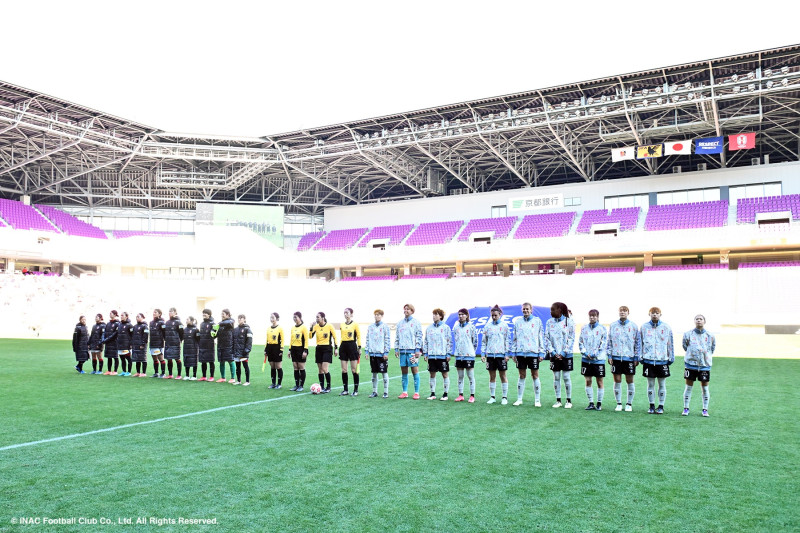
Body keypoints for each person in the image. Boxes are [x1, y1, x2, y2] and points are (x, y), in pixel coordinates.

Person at [639, 307, 674, 415]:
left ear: (660, 314)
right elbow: (640, 342)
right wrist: (640, 356)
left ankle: (661, 406)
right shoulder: (644, 327)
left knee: (662, 384)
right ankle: (651, 405)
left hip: (662, 360)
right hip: (648, 360)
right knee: (650, 384)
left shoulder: (666, 327)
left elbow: (670, 343)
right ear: (649, 314)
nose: (655, 315)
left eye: (657, 313)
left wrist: (671, 356)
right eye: (653, 313)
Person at [607, 306, 640, 412]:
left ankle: (629, 403)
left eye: (624, 311)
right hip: (616, 357)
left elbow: (637, 343)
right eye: (621, 311)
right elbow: (609, 341)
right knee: (617, 380)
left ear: (628, 313)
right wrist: (609, 355)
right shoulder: (613, 325)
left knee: (629, 380)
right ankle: (619, 403)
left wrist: (636, 357)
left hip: (629, 358)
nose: (622, 312)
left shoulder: (634, 326)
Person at [512, 302, 545, 407]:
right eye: (523, 309)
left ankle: (537, 400)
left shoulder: (537, 321)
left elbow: (541, 336)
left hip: (533, 352)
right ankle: (519, 399)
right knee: (521, 375)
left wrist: (541, 352)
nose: (525, 310)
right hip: (521, 353)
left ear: (531, 310)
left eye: (527, 309)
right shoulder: (518, 322)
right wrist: (514, 352)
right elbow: (515, 338)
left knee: (535, 375)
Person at [682, 314, 715, 417]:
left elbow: (712, 348)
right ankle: (686, 408)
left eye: (701, 319)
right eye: (697, 319)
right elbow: (685, 346)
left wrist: (706, 357)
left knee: (705, 388)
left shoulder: (710, 335)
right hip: (691, 365)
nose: (699, 321)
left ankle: (705, 409)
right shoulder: (688, 334)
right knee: (688, 387)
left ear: (704, 321)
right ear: (694, 321)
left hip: (705, 365)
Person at [545, 302, 575, 408]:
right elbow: (546, 338)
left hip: (566, 354)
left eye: (553, 309)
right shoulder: (549, 322)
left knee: (566, 377)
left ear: (560, 310)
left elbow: (571, 339)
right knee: (556, 376)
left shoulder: (569, 322)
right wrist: (552, 352)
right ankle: (558, 400)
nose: (551, 311)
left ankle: (568, 400)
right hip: (554, 354)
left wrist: (563, 352)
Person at [481, 305, 511, 405]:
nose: (494, 317)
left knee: (503, 376)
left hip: (501, 355)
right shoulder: (487, 326)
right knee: (492, 376)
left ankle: (504, 397)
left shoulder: (504, 326)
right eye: (492, 315)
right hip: (490, 355)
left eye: (495, 315)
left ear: (500, 314)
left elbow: (508, 340)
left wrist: (507, 353)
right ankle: (492, 397)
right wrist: (483, 353)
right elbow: (484, 341)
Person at [579, 309, 608, 410]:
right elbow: (580, 342)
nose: (592, 317)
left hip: (598, 360)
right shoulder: (584, 328)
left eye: (594, 316)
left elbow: (603, 343)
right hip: (586, 359)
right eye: (590, 316)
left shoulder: (602, 329)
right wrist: (585, 353)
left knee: (599, 381)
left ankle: (599, 403)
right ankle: (591, 403)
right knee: (588, 381)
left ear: (597, 317)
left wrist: (595, 354)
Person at [423, 308, 452, 401]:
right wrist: (426, 353)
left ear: (440, 316)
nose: (434, 316)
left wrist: (448, 354)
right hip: (431, 355)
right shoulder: (429, 328)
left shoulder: (446, 328)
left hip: (442, 355)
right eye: (433, 314)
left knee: (445, 374)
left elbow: (449, 342)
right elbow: (426, 341)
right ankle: (432, 393)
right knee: (432, 374)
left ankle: (445, 394)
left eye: (436, 314)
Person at [395, 304, 423, 399]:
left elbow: (419, 336)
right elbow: (397, 337)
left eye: (408, 309)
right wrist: (396, 349)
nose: (406, 310)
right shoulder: (399, 323)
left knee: (414, 370)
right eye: (405, 309)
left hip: (412, 351)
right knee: (404, 371)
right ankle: (405, 392)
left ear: (412, 311)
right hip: (403, 351)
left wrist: (417, 349)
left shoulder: (416, 323)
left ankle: (416, 392)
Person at [452, 308, 478, 403]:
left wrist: (471, 351)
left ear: (467, 316)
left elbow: (475, 341)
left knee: (470, 376)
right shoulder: (456, 327)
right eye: (459, 314)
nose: (461, 316)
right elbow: (455, 339)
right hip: (459, 355)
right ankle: (460, 395)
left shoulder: (471, 327)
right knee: (460, 376)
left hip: (469, 355)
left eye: (463, 314)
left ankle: (472, 395)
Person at [365, 309, 390, 398]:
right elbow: (368, 339)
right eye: (375, 315)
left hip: (381, 354)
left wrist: (386, 352)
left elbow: (387, 340)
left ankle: (386, 392)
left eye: (378, 315)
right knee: (374, 373)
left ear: (382, 316)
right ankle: (374, 391)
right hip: (373, 354)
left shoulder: (385, 327)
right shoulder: (370, 327)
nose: (376, 316)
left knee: (384, 372)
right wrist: (367, 351)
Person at [310, 311, 337, 393]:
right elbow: (310, 336)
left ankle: (328, 387)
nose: (316, 319)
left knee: (325, 368)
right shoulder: (316, 326)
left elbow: (335, 337)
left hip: (327, 349)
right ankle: (321, 387)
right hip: (318, 348)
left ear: (323, 318)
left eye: (318, 317)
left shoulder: (329, 326)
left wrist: (336, 348)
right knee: (320, 370)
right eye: (316, 317)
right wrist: (311, 327)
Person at [338, 308, 361, 396]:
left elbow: (358, 336)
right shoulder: (342, 324)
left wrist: (359, 347)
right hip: (343, 346)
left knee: (354, 370)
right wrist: (340, 347)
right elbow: (342, 336)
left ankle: (355, 390)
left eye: (347, 313)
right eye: (344, 313)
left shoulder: (355, 324)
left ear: (351, 314)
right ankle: (345, 390)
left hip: (352, 346)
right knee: (344, 370)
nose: (345, 314)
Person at [213, 309, 236, 383]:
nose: (221, 315)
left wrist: (219, 324)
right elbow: (216, 334)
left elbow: (229, 322)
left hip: (228, 345)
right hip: (220, 345)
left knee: (230, 361)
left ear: (228, 315)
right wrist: (213, 333)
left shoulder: (231, 322)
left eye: (223, 314)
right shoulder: (220, 324)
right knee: (221, 361)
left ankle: (233, 378)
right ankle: (223, 377)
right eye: (221, 314)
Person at [289, 312, 309, 391]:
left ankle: (301, 385)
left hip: (301, 349)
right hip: (294, 349)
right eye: (293, 317)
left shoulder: (303, 327)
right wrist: (289, 350)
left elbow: (306, 340)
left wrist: (305, 351)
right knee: (295, 367)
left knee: (301, 367)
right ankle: (296, 385)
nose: (294, 319)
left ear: (300, 317)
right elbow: (291, 340)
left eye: (296, 317)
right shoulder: (293, 328)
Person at [265, 313, 285, 389]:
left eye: (273, 317)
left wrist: (281, 350)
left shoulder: (280, 328)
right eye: (270, 317)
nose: (271, 319)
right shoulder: (268, 328)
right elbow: (267, 340)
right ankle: (273, 383)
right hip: (270, 348)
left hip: (277, 348)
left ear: (277, 318)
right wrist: (265, 349)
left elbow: (282, 340)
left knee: (278, 366)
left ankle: (279, 384)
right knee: (272, 366)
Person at [233, 314, 253, 386]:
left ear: (244, 319)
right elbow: (233, 340)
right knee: (237, 367)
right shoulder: (235, 329)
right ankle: (238, 380)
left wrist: (247, 350)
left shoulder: (247, 329)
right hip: (236, 351)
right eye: (238, 318)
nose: (239, 319)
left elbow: (249, 341)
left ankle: (247, 381)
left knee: (245, 366)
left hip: (244, 352)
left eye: (241, 318)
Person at [164, 307, 184, 380]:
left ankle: (179, 375)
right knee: (169, 359)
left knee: (177, 358)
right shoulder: (167, 322)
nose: (170, 312)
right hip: (168, 343)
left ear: (175, 313)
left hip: (175, 343)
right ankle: (170, 374)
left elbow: (182, 332)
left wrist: (180, 340)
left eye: (172, 311)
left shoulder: (178, 322)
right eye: (169, 311)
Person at [197, 309, 216, 382]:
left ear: (209, 314)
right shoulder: (201, 323)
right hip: (202, 344)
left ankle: (212, 376)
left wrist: (213, 334)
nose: (204, 314)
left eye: (205, 313)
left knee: (211, 361)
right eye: (203, 313)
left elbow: (215, 335)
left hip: (209, 345)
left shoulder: (213, 323)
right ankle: (204, 376)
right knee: (203, 361)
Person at [149, 309, 167, 378]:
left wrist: (164, 341)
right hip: (152, 343)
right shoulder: (151, 322)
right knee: (154, 358)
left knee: (160, 358)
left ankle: (163, 373)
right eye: (153, 312)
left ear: (159, 314)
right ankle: (156, 373)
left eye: (155, 312)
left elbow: (164, 332)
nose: (154, 313)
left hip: (159, 343)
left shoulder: (162, 322)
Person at [102, 310, 120, 375]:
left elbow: (115, 334)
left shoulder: (118, 323)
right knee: (109, 357)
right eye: (110, 313)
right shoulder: (108, 323)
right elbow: (104, 332)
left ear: (115, 315)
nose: (110, 314)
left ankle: (115, 371)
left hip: (114, 342)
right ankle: (109, 370)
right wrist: (103, 339)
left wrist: (106, 340)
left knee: (115, 357)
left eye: (111, 313)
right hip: (108, 343)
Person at [131, 313, 149, 377]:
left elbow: (145, 336)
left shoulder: (145, 326)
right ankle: (138, 372)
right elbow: (132, 336)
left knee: (143, 358)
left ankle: (144, 372)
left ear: (142, 317)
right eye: (136, 317)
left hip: (141, 345)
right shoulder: (135, 326)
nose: (137, 318)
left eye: (138, 317)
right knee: (137, 359)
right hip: (135, 344)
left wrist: (143, 344)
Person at [117, 312, 134, 377]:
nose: (121, 316)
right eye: (120, 315)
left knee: (128, 358)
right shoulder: (119, 324)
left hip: (126, 345)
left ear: (126, 316)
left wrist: (131, 344)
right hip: (120, 344)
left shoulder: (129, 325)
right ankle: (124, 371)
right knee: (122, 359)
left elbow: (132, 335)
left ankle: (129, 372)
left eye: (122, 315)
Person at [182, 316, 199, 380]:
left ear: (192, 321)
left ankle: (194, 376)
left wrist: (195, 346)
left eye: (187, 319)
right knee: (186, 361)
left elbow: (198, 339)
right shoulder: (185, 329)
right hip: (186, 348)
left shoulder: (196, 329)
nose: (186, 320)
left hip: (193, 348)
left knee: (194, 361)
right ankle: (187, 375)